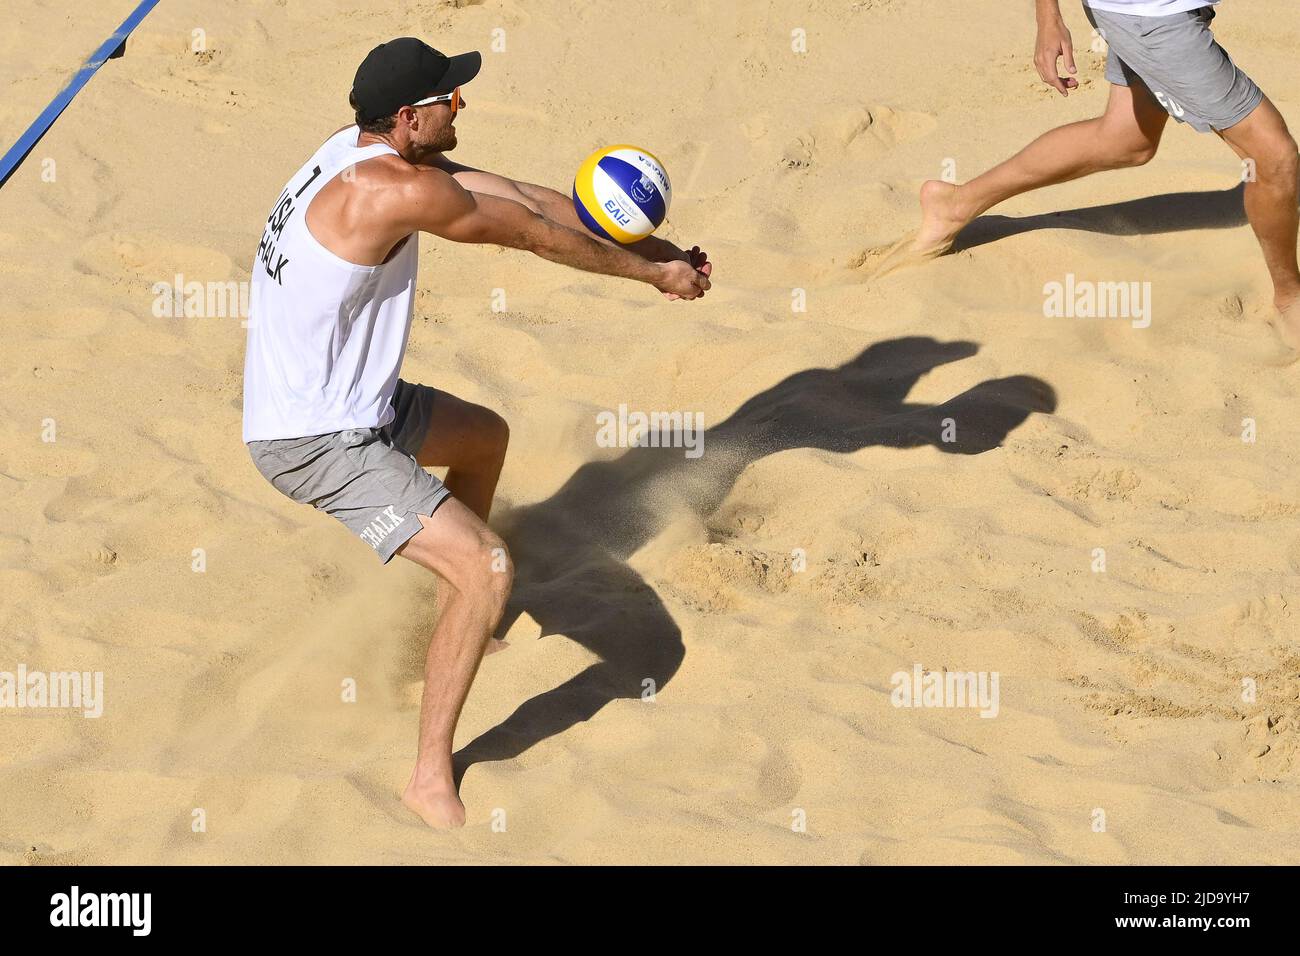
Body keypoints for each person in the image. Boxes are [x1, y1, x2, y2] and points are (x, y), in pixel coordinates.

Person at [241, 37, 712, 828]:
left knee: (483, 438)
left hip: (362, 402)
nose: (460, 103)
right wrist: (649, 276)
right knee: (490, 565)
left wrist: (662, 254)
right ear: (406, 118)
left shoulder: (360, 151)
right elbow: (528, 235)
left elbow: (525, 197)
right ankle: (429, 775)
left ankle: (458, 619)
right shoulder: (391, 195)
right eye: (446, 98)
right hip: (315, 441)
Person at [913, 0, 1299, 354]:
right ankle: (1289, 298)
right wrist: (1048, 18)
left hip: (1151, 15)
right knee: (1274, 159)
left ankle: (956, 203)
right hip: (1154, 20)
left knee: (1125, 140)